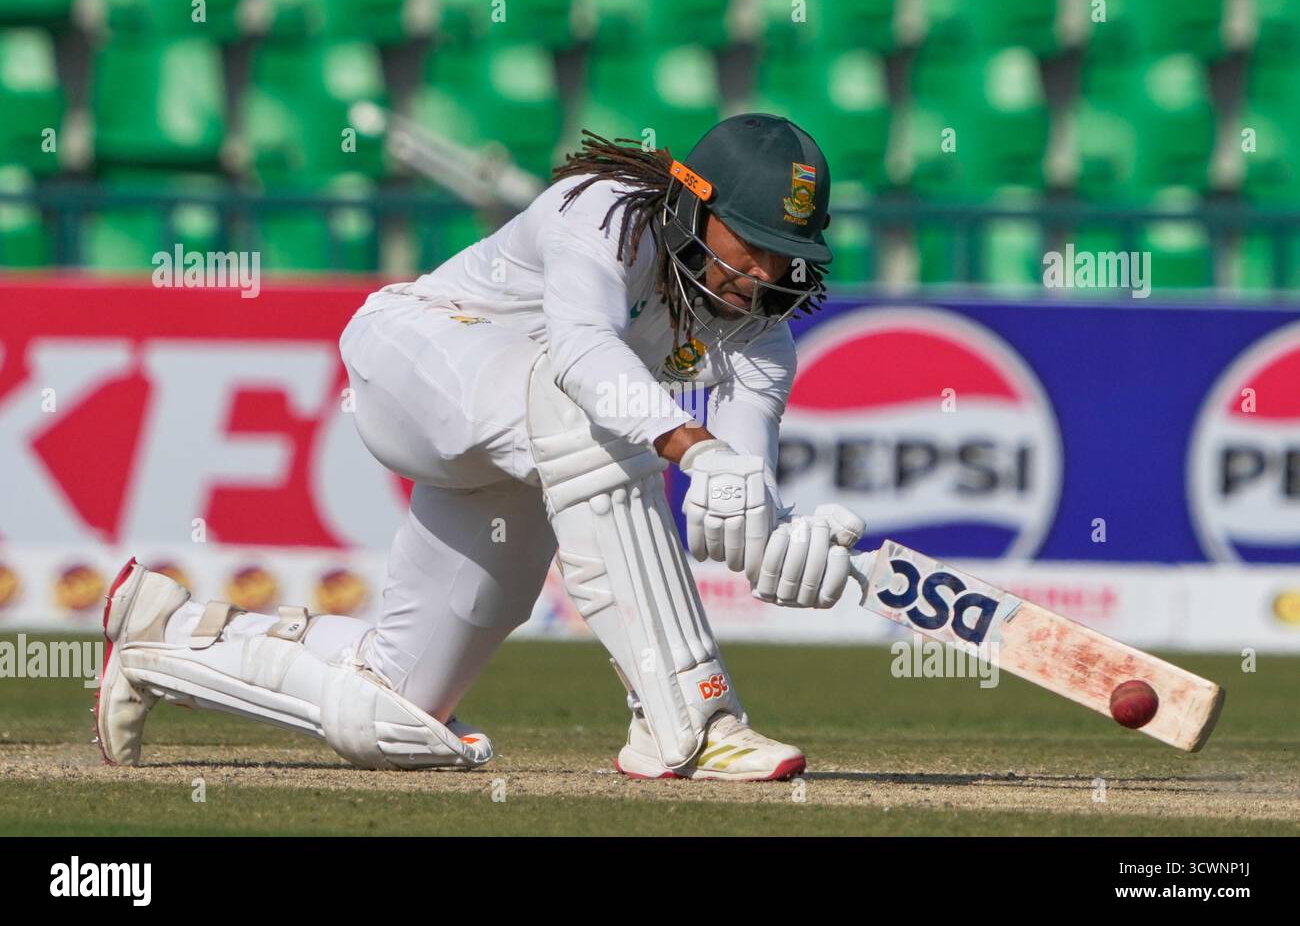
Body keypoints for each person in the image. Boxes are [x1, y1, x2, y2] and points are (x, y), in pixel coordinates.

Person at [94, 114, 865, 782]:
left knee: (393, 711)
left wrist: (777, 540)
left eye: (784, 252)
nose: (763, 272)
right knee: (579, 407)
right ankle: (693, 724)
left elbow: (734, 482)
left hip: (524, 445)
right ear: (694, 202)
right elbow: (585, 352)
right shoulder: (602, 210)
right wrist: (697, 451)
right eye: (751, 243)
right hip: (419, 357)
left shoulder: (761, 335)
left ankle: (162, 636)